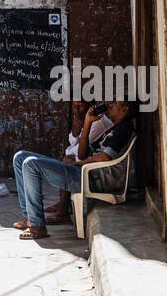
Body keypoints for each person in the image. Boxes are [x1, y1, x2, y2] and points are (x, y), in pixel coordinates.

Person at [13, 100, 136, 241]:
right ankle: (30, 218)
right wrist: (88, 122)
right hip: (85, 171)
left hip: (92, 177)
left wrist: (80, 163)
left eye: (115, 103)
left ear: (124, 109)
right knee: (20, 156)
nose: (110, 105)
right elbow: (82, 153)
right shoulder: (112, 128)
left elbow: (105, 156)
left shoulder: (124, 128)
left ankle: (37, 226)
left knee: (30, 164)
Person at [44, 100, 114, 225]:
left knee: (67, 162)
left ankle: (63, 210)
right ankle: (63, 204)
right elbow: (73, 145)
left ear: (89, 106)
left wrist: (72, 154)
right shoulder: (84, 120)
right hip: (89, 157)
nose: (76, 109)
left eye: (80, 105)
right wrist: (75, 133)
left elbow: (80, 152)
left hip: (95, 167)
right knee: (67, 159)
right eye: (73, 106)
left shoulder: (98, 122)